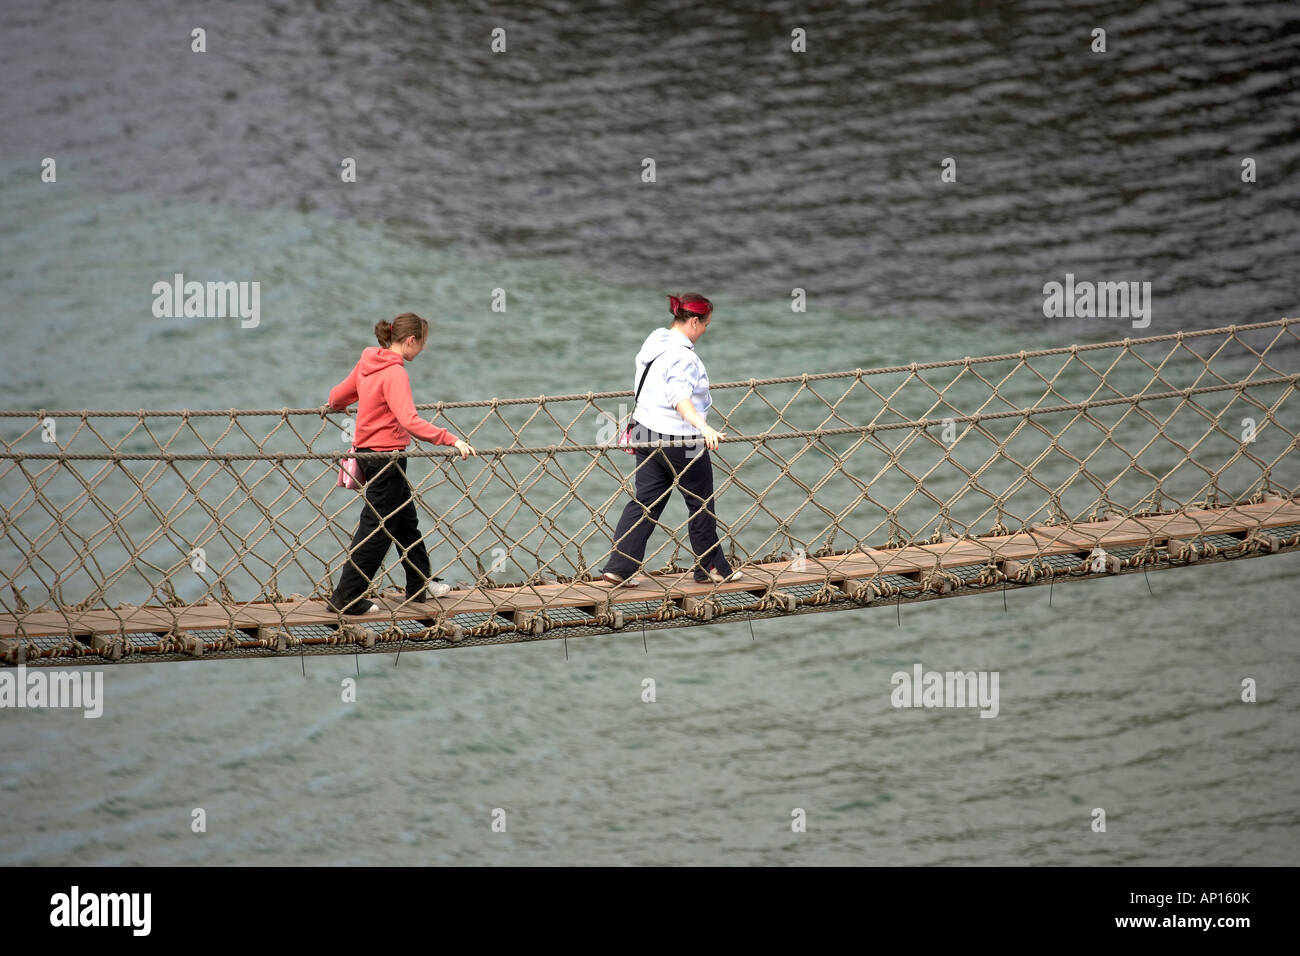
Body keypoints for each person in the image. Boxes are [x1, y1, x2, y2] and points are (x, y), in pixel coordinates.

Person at [325, 313, 476, 615]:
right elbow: (410, 421)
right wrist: (451, 439)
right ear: (410, 340)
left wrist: (339, 406)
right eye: (422, 343)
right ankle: (346, 597)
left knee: (405, 519)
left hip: (366, 454)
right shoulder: (395, 373)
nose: (422, 349)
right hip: (388, 458)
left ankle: (419, 582)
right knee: (376, 529)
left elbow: (337, 397)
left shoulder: (368, 362)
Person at [601, 293, 744, 587]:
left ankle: (619, 567)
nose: (705, 330)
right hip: (682, 441)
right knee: (700, 502)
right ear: (694, 321)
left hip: (645, 431)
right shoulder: (684, 357)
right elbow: (679, 395)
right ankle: (711, 568)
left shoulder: (655, 339)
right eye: (705, 324)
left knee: (646, 501)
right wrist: (703, 427)